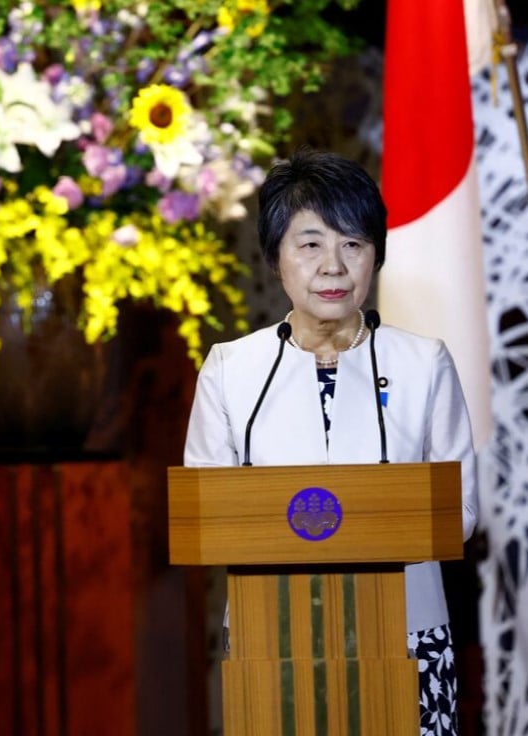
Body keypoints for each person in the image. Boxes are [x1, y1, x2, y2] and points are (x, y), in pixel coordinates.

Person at [183, 149, 478, 734]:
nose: (333, 266)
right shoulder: (231, 370)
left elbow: (460, 511)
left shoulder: (423, 364)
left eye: (354, 244)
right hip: (272, 642)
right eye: (310, 243)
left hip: (406, 636)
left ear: (375, 256)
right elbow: (205, 514)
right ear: (276, 258)